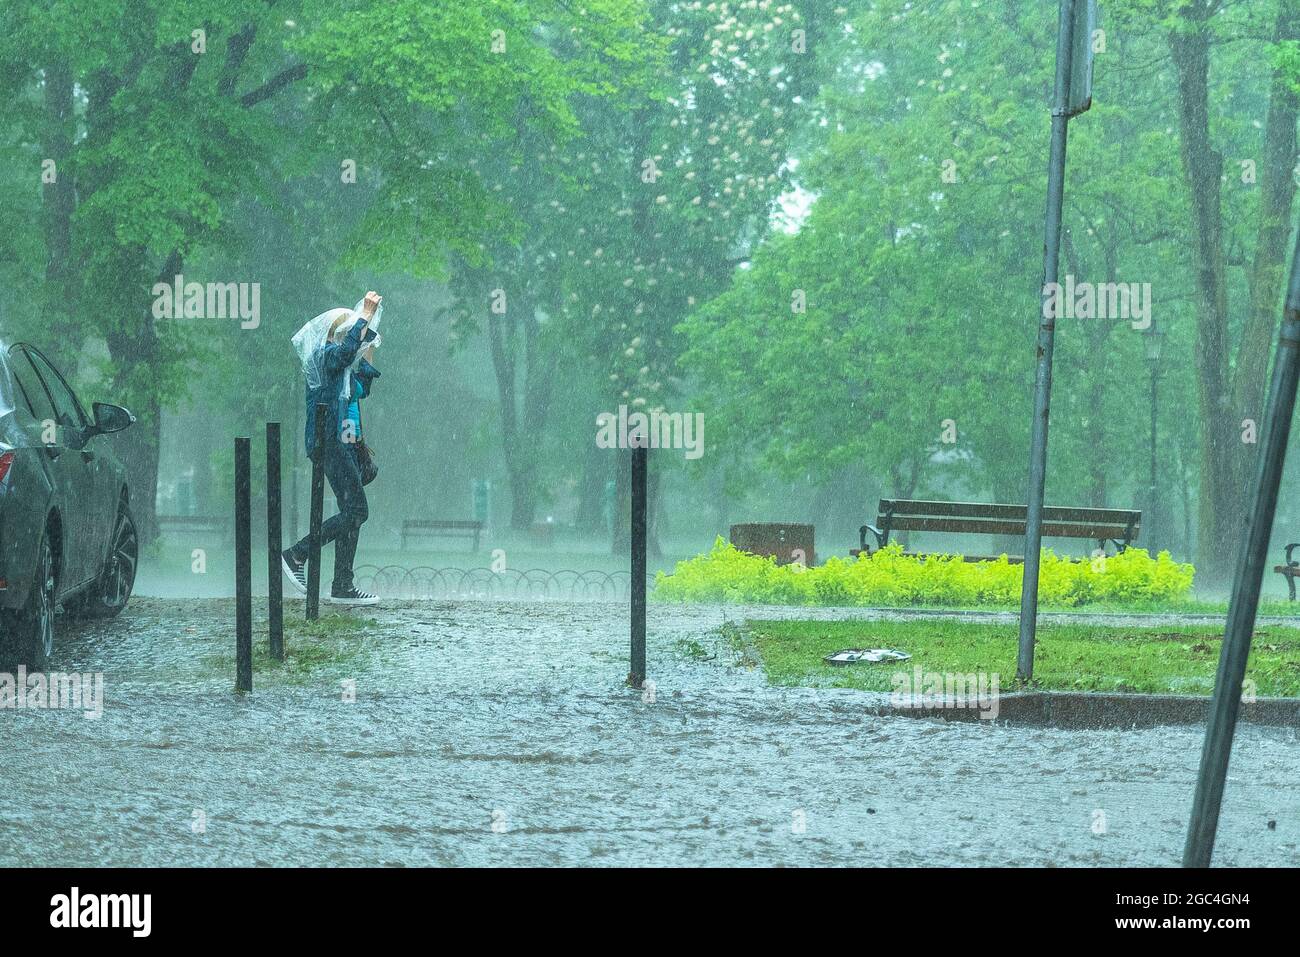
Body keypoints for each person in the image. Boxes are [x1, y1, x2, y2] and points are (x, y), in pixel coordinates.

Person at [281, 291, 384, 605]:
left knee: (351, 514)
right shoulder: (322, 357)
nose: (350, 337)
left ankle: (343, 584)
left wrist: (368, 344)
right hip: (329, 442)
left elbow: (360, 387)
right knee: (357, 511)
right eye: (346, 331)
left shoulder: (340, 371)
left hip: (344, 444)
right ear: (334, 333)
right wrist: (363, 316)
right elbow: (343, 354)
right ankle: (296, 555)